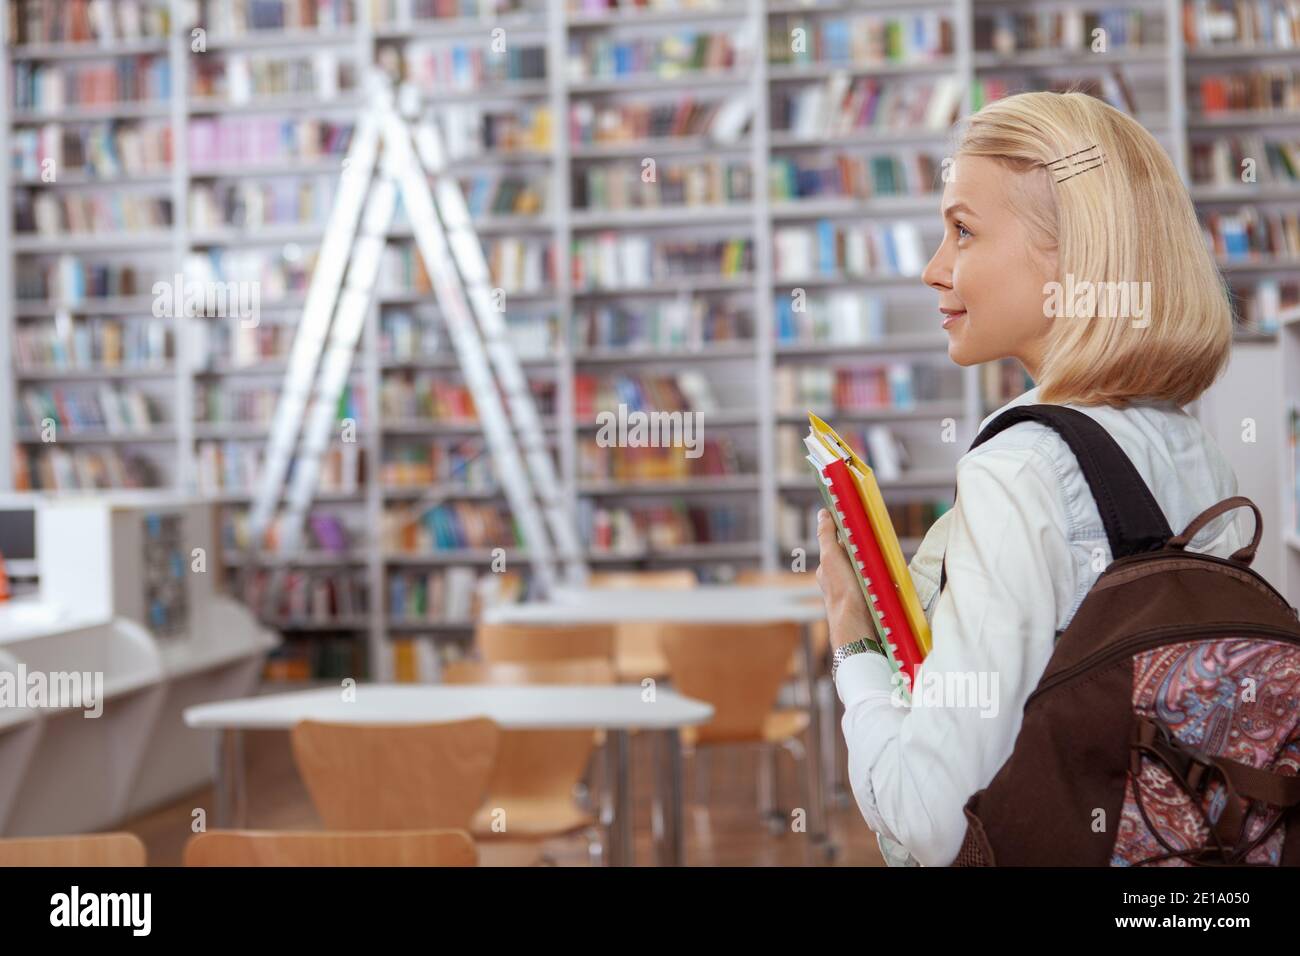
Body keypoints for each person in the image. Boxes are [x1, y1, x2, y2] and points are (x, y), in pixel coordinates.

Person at [814, 90, 1252, 867]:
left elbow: (935, 822)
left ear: (1069, 256)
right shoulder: (1192, 447)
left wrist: (853, 648)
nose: (932, 268)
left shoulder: (1016, 468)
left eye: (962, 231)